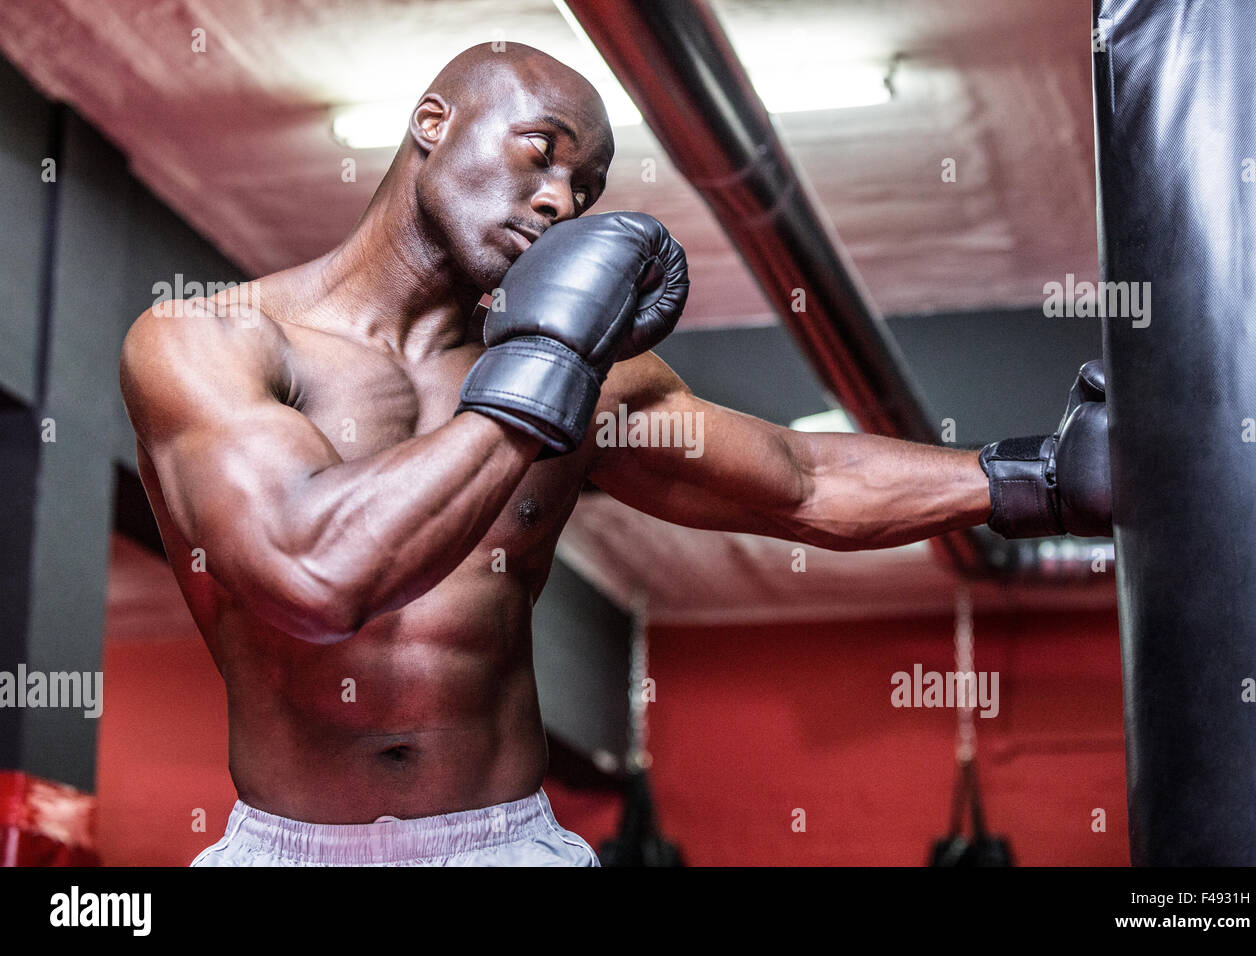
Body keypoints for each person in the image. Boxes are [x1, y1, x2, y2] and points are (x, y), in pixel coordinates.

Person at [118, 42, 1109, 867]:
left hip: (503, 843)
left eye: (581, 187)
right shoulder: (212, 344)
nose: (557, 199)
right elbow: (312, 576)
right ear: (431, 124)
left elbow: (801, 481)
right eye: (538, 151)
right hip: (289, 849)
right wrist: (547, 370)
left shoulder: (587, 380)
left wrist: (1034, 477)